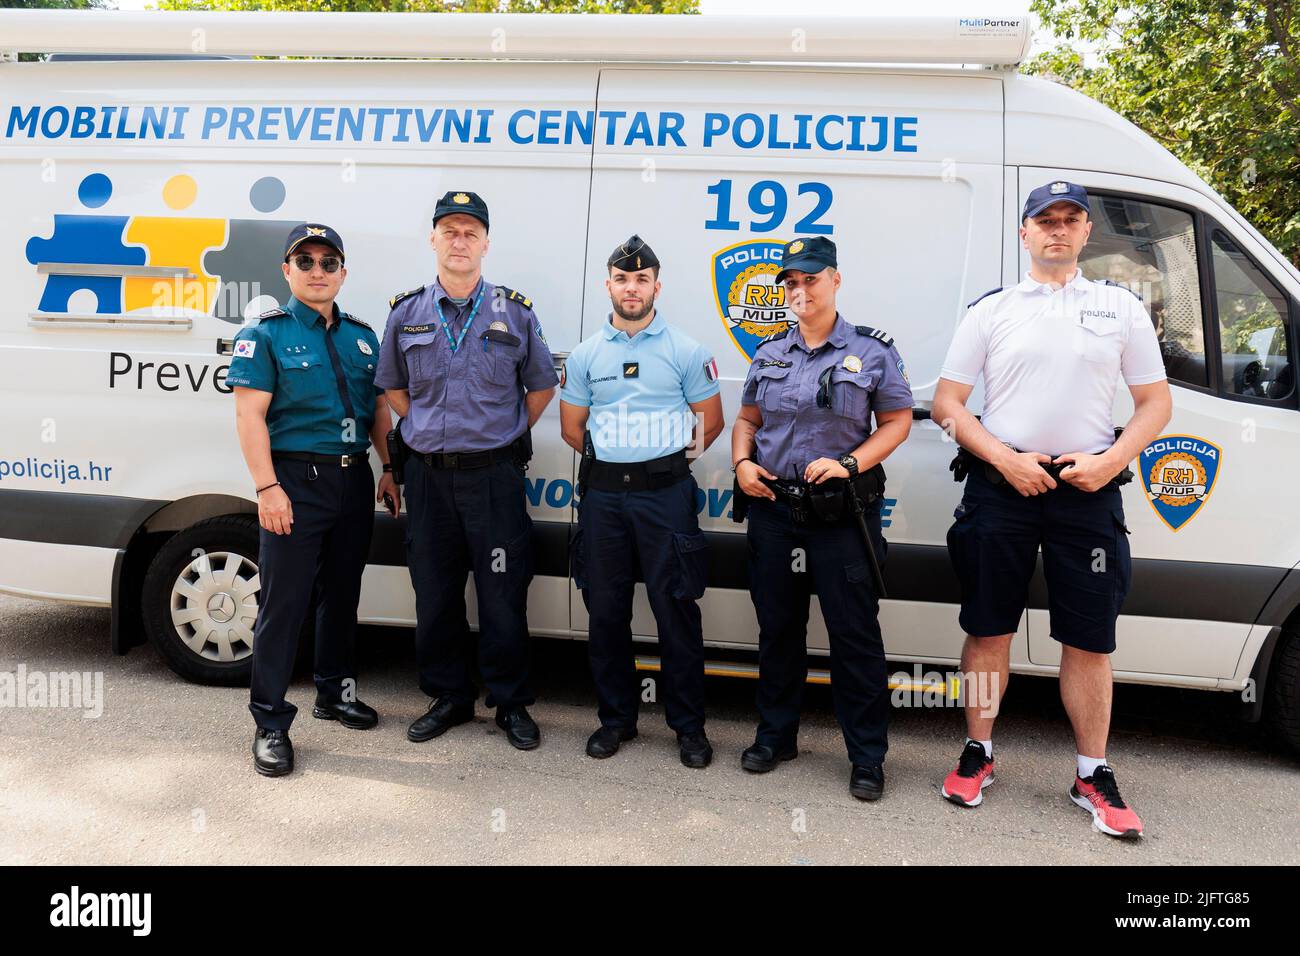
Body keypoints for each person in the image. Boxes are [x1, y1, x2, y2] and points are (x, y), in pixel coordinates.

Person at [931, 181, 1172, 838]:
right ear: (1025, 232)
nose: (1058, 230)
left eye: (1071, 220)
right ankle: (978, 752)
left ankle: (1091, 772)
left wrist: (1112, 460)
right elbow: (948, 403)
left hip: (1087, 490)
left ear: (1087, 233)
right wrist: (1004, 459)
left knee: (1089, 640)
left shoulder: (1119, 309)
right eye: (1046, 220)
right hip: (1001, 486)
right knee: (987, 631)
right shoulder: (993, 310)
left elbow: (1155, 404)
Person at [730, 236, 913, 801]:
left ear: (835, 280)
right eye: (790, 281)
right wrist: (741, 463)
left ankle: (866, 757)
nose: (799, 289)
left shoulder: (870, 352)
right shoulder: (769, 353)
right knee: (777, 632)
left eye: (810, 278)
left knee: (853, 637)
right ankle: (776, 736)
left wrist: (851, 464)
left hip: (840, 516)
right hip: (775, 511)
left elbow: (898, 422)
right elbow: (747, 418)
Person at [375, 190, 558, 751]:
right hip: (428, 479)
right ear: (433, 238)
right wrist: (432, 426)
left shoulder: (516, 312)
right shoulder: (405, 313)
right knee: (434, 591)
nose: (460, 240)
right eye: (449, 230)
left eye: (470, 231)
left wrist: (496, 431)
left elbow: (541, 387)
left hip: (494, 479)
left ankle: (510, 703)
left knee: (503, 592)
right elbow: (393, 389)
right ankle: (448, 696)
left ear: (485, 243)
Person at [228, 223, 399, 777]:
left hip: (352, 481)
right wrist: (267, 488)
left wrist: (389, 468)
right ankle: (271, 723)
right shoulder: (265, 335)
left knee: (341, 596)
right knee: (284, 605)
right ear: (287, 271)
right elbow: (249, 415)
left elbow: (377, 411)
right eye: (306, 262)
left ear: (343, 273)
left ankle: (334, 693)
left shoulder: (361, 337)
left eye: (329, 262)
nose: (318, 271)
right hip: (294, 483)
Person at [559, 235, 725, 767]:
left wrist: (666, 464)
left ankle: (689, 729)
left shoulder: (685, 349)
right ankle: (616, 721)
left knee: (675, 609)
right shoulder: (587, 354)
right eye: (623, 279)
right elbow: (572, 428)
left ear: (657, 286)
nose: (632, 288)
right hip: (604, 496)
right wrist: (620, 460)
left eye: (642, 279)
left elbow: (711, 421)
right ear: (608, 286)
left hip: (666, 497)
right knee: (605, 611)